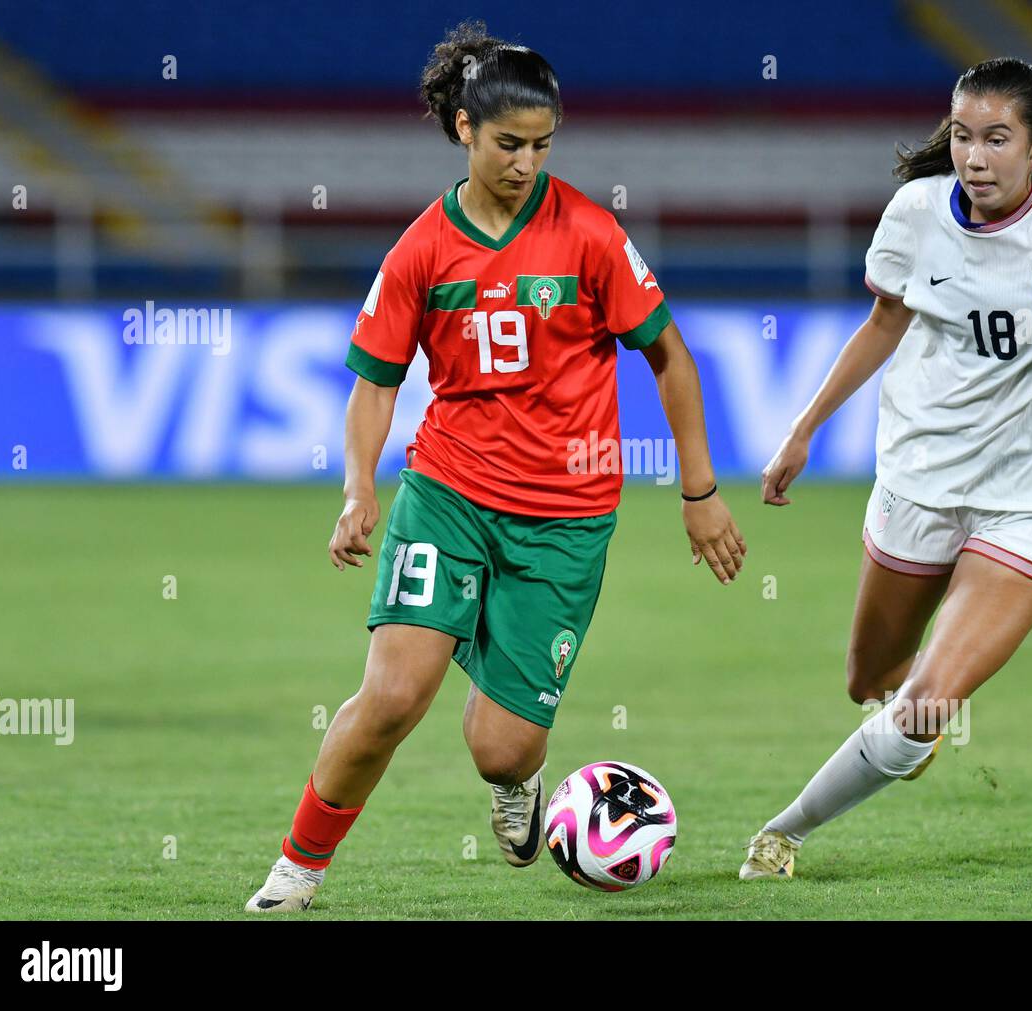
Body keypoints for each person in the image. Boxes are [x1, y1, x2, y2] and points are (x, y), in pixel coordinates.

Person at [245, 20, 745, 912]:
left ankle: (520, 784)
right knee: (394, 694)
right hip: (449, 494)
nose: (526, 162)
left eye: (543, 144)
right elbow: (374, 382)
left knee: (500, 748)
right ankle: (299, 867)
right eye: (509, 143)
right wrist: (360, 486)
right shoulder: (420, 252)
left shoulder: (590, 233)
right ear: (463, 131)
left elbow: (671, 356)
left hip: (566, 518)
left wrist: (699, 492)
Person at [740, 57, 1032, 880]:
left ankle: (781, 832)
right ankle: (903, 732)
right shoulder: (917, 214)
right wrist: (804, 428)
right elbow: (885, 321)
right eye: (963, 136)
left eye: (997, 138)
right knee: (871, 681)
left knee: (926, 701)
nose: (975, 156)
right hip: (921, 476)